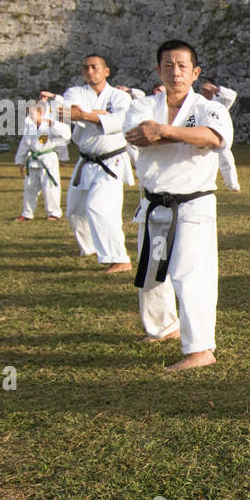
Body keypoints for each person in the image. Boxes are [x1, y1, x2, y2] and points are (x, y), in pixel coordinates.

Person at [94, 39, 233, 372]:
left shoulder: (208, 107)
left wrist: (165, 132)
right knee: (153, 275)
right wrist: (182, 134)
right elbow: (138, 134)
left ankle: (201, 349)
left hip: (193, 205)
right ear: (158, 70)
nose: (175, 71)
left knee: (191, 276)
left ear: (195, 72)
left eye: (182, 65)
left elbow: (214, 138)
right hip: (155, 203)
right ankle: (163, 327)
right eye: (168, 65)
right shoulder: (144, 105)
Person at [44, 54, 134, 273]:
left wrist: (85, 115)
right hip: (86, 161)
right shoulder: (75, 92)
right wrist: (99, 115)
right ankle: (90, 247)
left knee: (100, 207)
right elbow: (67, 112)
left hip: (111, 160)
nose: (90, 71)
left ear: (106, 71)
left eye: (95, 67)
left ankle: (119, 258)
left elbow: (121, 121)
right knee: (75, 211)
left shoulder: (120, 97)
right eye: (86, 68)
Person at [13, 101, 70, 220]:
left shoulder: (51, 125)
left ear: (41, 113)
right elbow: (24, 144)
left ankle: (54, 213)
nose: (29, 116)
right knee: (29, 188)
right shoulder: (30, 126)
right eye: (29, 114)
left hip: (48, 160)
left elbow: (66, 135)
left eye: (32, 113)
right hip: (33, 161)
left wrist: (53, 124)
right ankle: (27, 213)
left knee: (50, 187)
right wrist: (20, 161)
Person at [200, 80, 241, 191]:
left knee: (226, 162)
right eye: (203, 90)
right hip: (204, 137)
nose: (205, 92)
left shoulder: (220, 102)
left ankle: (232, 186)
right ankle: (203, 186)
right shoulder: (200, 103)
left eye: (208, 90)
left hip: (220, 138)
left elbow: (233, 95)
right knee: (203, 163)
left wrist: (218, 89)